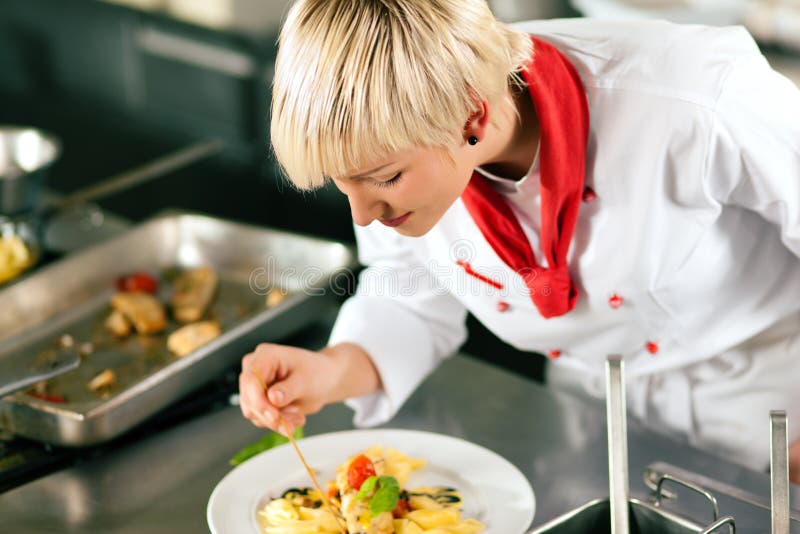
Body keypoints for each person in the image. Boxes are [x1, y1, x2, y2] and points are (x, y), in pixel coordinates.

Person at [238, 0, 800, 481]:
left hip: (764, 407)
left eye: (384, 178)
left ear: (472, 118)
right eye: (344, 185)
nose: (362, 216)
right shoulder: (406, 152)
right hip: (589, 417)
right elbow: (405, 295)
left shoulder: (693, 96)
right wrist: (331, 371)